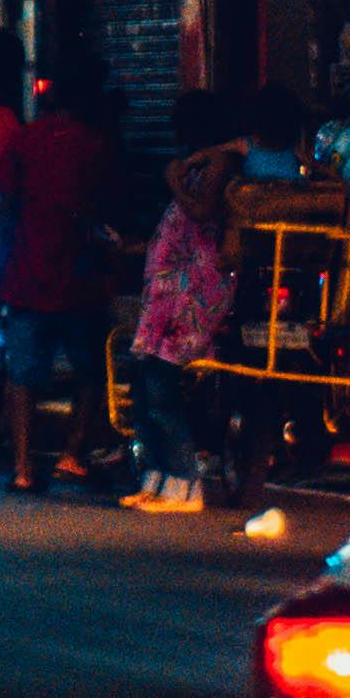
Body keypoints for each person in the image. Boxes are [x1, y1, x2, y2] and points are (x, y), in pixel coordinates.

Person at [0, 57, 121, 497]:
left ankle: (24, 468)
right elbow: (105, 206)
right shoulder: (97, 144)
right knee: (90, 370)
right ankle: (72, 453)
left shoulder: (23, 140)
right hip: (80, 274)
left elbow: (5, 207)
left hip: (28, 271)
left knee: (23, 373)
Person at [124, 115, 244, 509]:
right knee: (144, 390)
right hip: (167, 295)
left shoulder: (219, 164)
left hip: (190, 294)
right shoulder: (204, 163)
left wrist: (173, 178)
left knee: (161, 392)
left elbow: (200, 211)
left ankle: (184, 483)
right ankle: (156, 476)